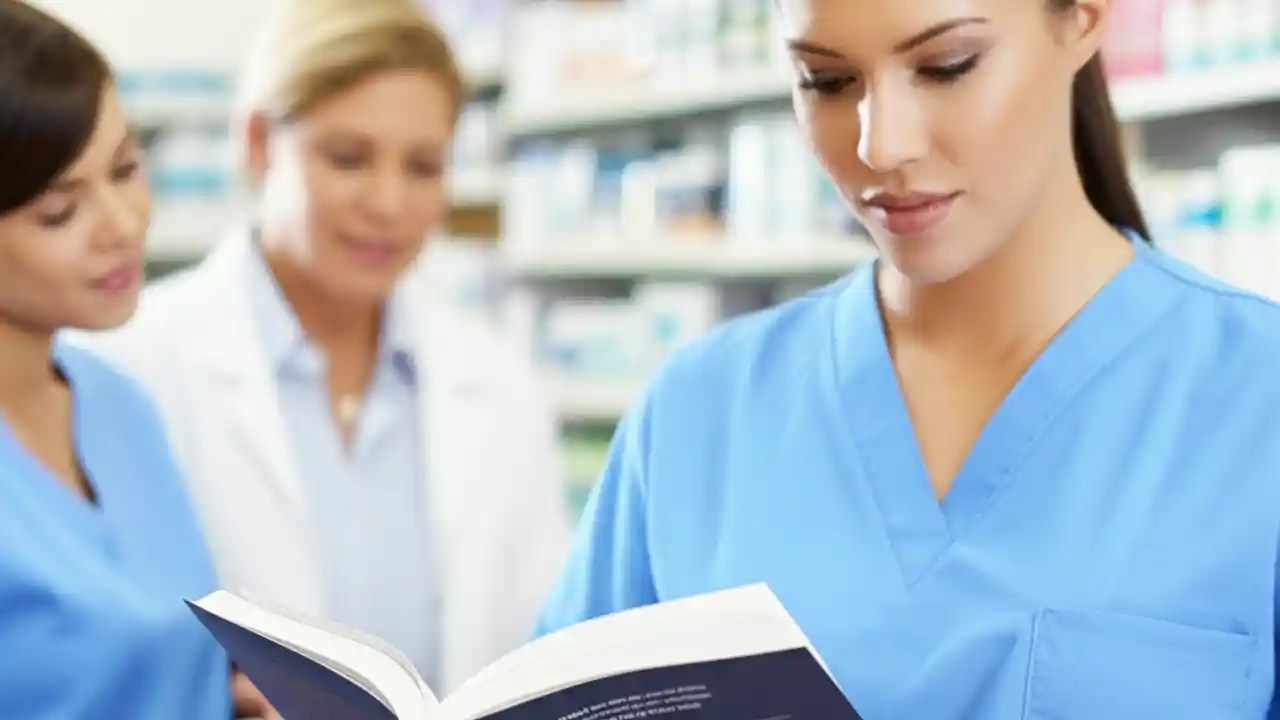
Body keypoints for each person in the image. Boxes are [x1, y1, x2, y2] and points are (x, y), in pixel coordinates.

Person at [534, 0, 1280, 717]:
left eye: (947, 66)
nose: (880, 146)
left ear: (1083, 17)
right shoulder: (696, 414)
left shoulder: (1256, 397)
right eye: (827, 81)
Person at [75, 0, 569, 693]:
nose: (389, 203)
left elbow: (541, 645)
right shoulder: (128, 366)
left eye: (424, 166)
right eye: (349, 159)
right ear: (257, 143)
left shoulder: (497, 379)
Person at [0, 2, 279, 718]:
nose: (123, 225)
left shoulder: (119, 405)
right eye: (59, 212)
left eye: (125, 168)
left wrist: (238, 700)